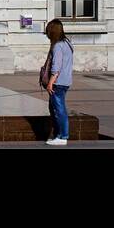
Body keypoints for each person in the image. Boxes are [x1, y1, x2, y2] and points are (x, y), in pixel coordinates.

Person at [41, 18, 74, 146]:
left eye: (48, 31)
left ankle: (63, 136)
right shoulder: (67, 43)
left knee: (59, 109)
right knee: (54, 107)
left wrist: (50, 82)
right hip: (65, 81)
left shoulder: (58, 46)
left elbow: (56, 67)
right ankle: (58, 134)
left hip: (58, 82)